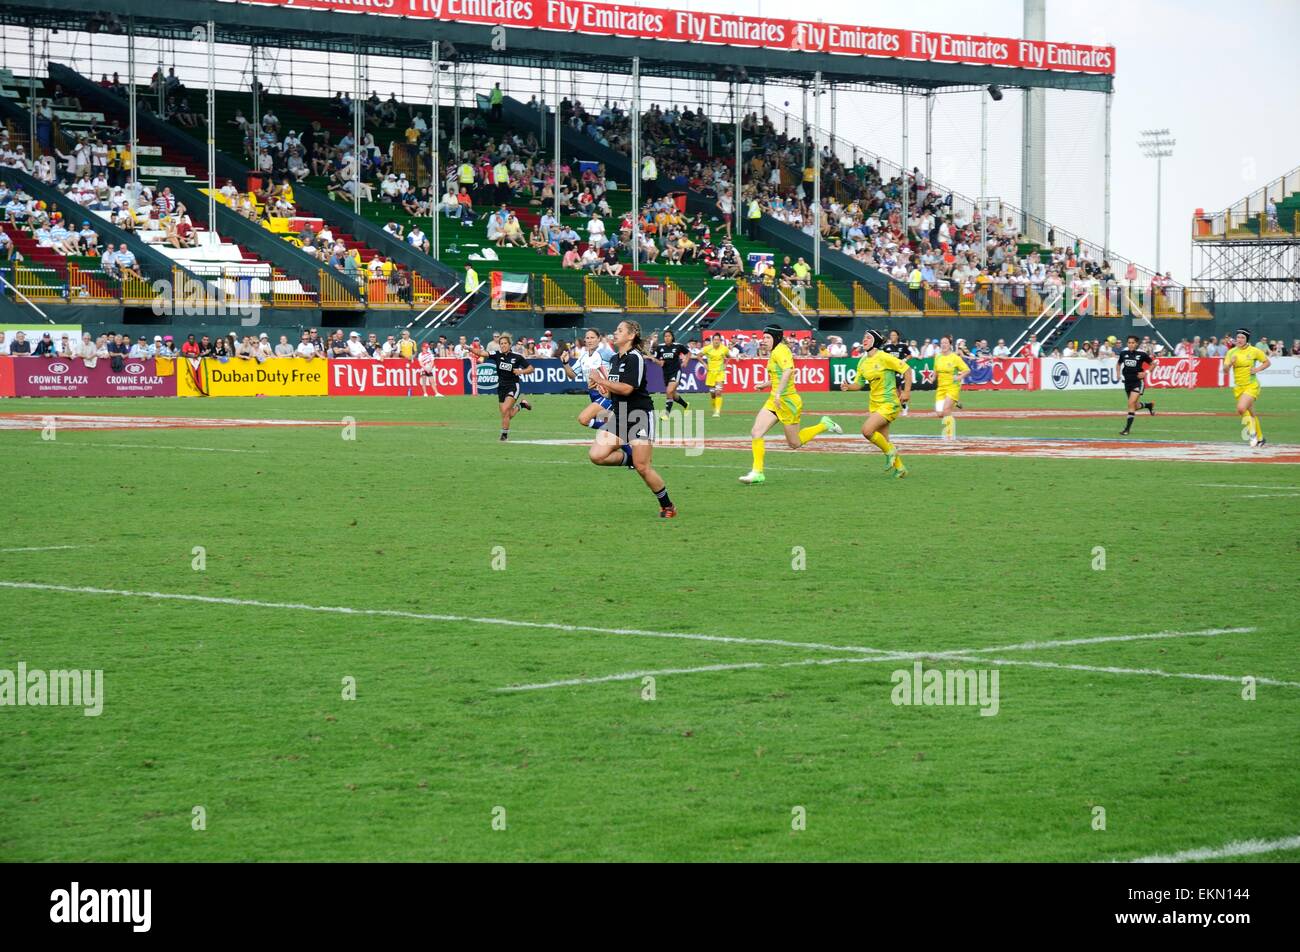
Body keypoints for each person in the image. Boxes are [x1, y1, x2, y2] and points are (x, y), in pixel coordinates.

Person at [586, 320, 676, 518]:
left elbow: (627, 389)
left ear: (631, 335)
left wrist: (602, 380)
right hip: (620, 415)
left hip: (639, 415)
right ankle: (630, 460)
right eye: (616, 329)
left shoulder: (635, 358)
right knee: (597, 455)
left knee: (643, 468)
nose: (615, 332)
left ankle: (667, 505)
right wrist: (602, 387)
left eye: (620, 330)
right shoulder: (616, 359)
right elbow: (614, 390)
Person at [738, 325, 842, 485]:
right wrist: (765, 385)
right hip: (774, 400)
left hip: (788, 402)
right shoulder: (774, 352)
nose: (763, 340)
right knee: (756, 432)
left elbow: (788, 371)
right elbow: (778, 376)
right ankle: (757, 472)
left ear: (776, 338)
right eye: (763, 337)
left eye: (767, 337)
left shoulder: (781, 350)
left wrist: (778, 393)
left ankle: (824, 424)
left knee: (794, 443)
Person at [842, 329, 911, 478]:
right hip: (875, 405)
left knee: (867, 431)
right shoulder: (862, 361)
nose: (864, 340)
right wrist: (849, 386)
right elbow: (859, 384)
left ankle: (891, 453)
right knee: (885, 442)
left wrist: (906, 392)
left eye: (868, 338)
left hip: (889, 403)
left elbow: (907, 370)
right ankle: (901, 469)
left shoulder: (884, 357)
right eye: (864, 337)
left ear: (875, 341)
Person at [470, 332, 533, 440]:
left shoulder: (517, 357)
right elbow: (482, 353)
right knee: (506, 414)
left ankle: (504, 436)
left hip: (513, 386)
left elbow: (531, 368)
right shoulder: (497, 354)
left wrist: (521, 371)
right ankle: (521, 406)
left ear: (509, 345)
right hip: (501, 387)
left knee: (505, 410)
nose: (503, 345)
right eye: (501, 343)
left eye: (505, 343)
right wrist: (469, 348)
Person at [1224, 328, 1271, 448]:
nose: (1239, 340)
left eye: (1242, 338)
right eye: (1238, 337)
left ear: (1247, 339)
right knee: (1251, 413)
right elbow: (1224, 371)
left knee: (1241, 408)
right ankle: (1261, 439)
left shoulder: (1254, 351)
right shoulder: (1231, 352)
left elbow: (1267, 362)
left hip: (1251, 385)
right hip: (1238, 387)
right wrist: (1230, 364)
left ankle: (1252, 433)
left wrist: (1256, 369)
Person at [562, 328, 614, 431]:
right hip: (593, 394)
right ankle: (619, 434)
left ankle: (616, 429)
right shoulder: (583, 357)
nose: (589, 340)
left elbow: (622, 363)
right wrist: (565, 363)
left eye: (592, 338)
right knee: (608, 437)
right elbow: (572, 375)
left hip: (607, 394)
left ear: (598, 339)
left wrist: (609, 382)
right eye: (587, 338)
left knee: (584, 419)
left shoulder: (605, 353)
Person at [1115, 334, 1156, 436]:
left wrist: (1145, 373)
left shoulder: (1141, 354)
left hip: (1138, 382)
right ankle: (1148, 405)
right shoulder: (1124, 353)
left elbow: (1153, 364)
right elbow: (1119, 364)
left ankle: (1127, 429)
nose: (1131, 344)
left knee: (1130, 404)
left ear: (1136, 343)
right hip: (1127, 383)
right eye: (1129, 342)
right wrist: (1118, 374)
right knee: (1134, 406)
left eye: (1133, 343)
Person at [933, 335, 970, 441]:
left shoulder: (955, 358)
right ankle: (955, 402)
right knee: (940, 414)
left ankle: (949, 436)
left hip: (952, 386)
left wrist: (959, 377)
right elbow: (935, 370)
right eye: (942, 343)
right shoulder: (938, 357)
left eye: (946, 343)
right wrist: (933, 376)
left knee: (946, 410)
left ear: (950, 345)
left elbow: (967, 370)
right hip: (941, 388)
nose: (943, 344)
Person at [651, 328, 690, 420]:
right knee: (672, 393)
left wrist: (686, 361)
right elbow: (656, 359)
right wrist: (658, 361)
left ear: (672, 337)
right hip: (666, 373)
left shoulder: (678, 346)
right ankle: (685, 405)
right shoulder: (660, 347)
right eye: (665, 336)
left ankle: (666, 414)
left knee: (669, 391)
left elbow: (688, 353)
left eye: (669, 336)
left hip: (676, 371)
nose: (667, 338)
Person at [881, 329, 913, 416]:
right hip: (890, 371)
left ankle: (903, 406)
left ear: (897, 336)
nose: (892, 337)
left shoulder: (902, 346)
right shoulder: (887, 347)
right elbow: (881, 357)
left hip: (899, 370)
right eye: (891, 335)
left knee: (897, 388)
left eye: (894, 335)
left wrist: (904, 360)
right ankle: (902, 405)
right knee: (894, 390)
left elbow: (910, 355)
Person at [701, 332, 729, 418]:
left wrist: (725, 364)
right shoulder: (707, 349)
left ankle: (717, 411)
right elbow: (698, 356)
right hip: (711, 373)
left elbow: (728, 356)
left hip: (720, 373)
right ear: (712, 340)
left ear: (720, 341)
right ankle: (715, 408)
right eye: (715, 339)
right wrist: (704, 364)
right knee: (712, 393)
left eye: (718, 340)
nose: (716, 341)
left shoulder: (724, 349)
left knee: (718, 392)